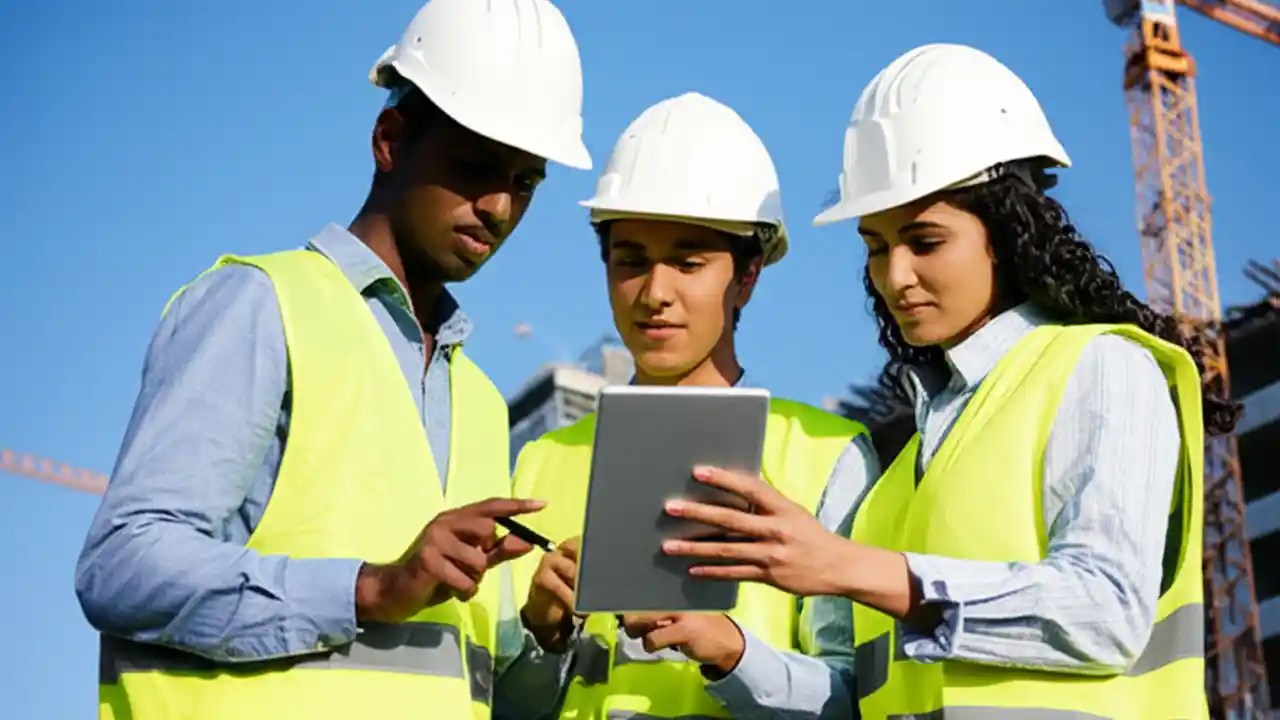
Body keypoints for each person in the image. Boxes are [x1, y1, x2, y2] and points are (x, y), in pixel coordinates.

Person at [659, 43, 1229, 719]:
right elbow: (855, 701)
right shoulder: (891, 475)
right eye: (875, 246)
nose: (895, 276)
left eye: (925, 242)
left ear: (1010, 232)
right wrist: (729, 652)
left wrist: (851, 567)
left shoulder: (1101, 367)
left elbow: (1106, 611)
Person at [73, 1, 591, 718]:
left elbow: (478, 689)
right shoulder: (259, 305)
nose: (499, 207)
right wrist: (368, 588)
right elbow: (121, 567)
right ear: (390, 138)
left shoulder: (477, 399)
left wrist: (541, 630)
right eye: (475, 167)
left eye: (526, 182)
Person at [494, 92, 880, 720]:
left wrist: (732, 653)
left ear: (747, 277)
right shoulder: (539, 461)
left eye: (688, 262)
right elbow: (499, 705)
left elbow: (858, 700)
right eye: (631, 261)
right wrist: (543, 635)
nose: (655, 293)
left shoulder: (827, 455)